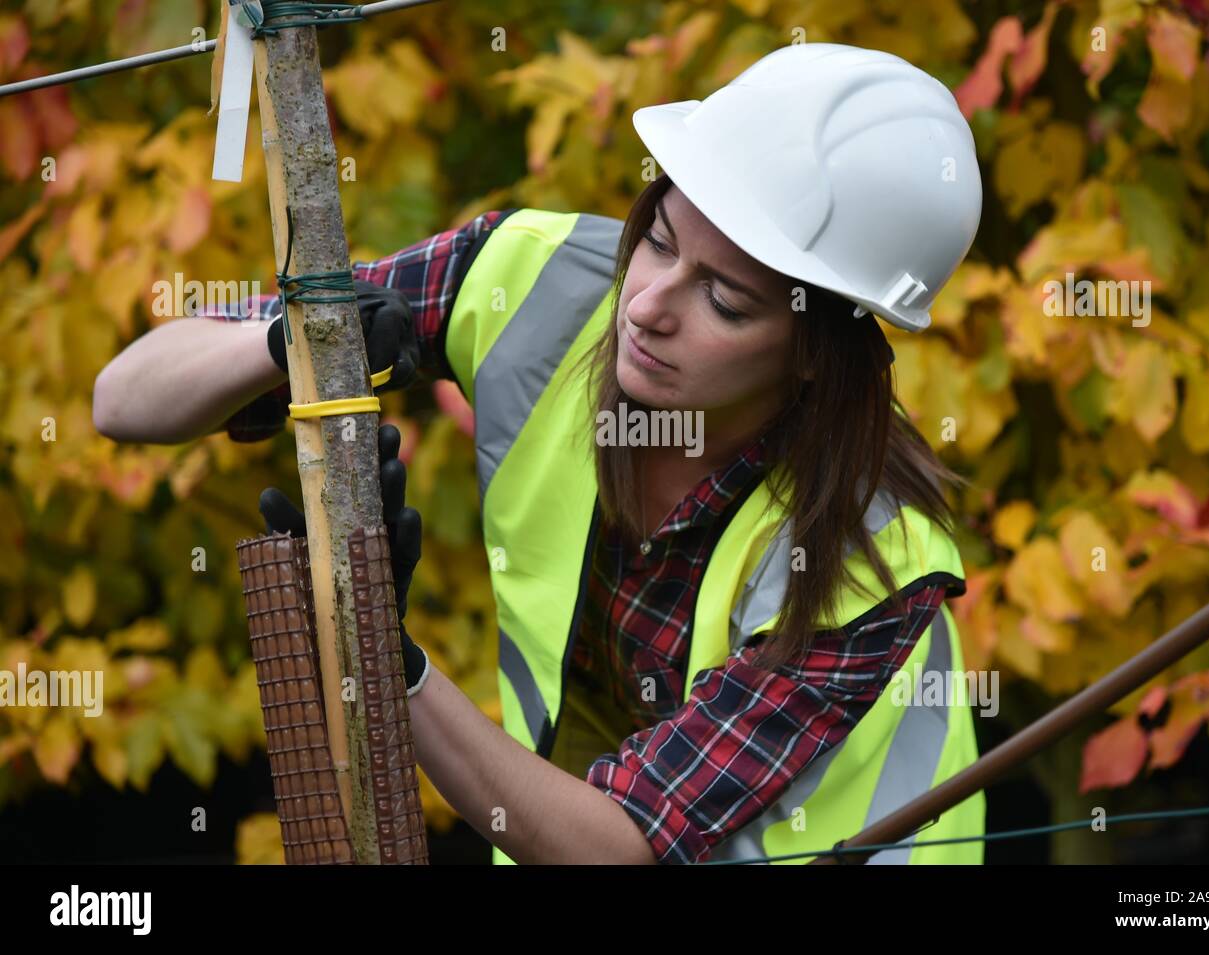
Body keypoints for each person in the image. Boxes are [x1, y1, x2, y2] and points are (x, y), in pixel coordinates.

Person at [94, 43, 987, 865]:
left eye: (724, 299)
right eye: (662, 242)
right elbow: (124, 396)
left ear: (812, 352)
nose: (645, 306)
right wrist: (293, 345)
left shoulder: (874, 562)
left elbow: (618, 849)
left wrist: (384, 654)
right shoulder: (536, 283)